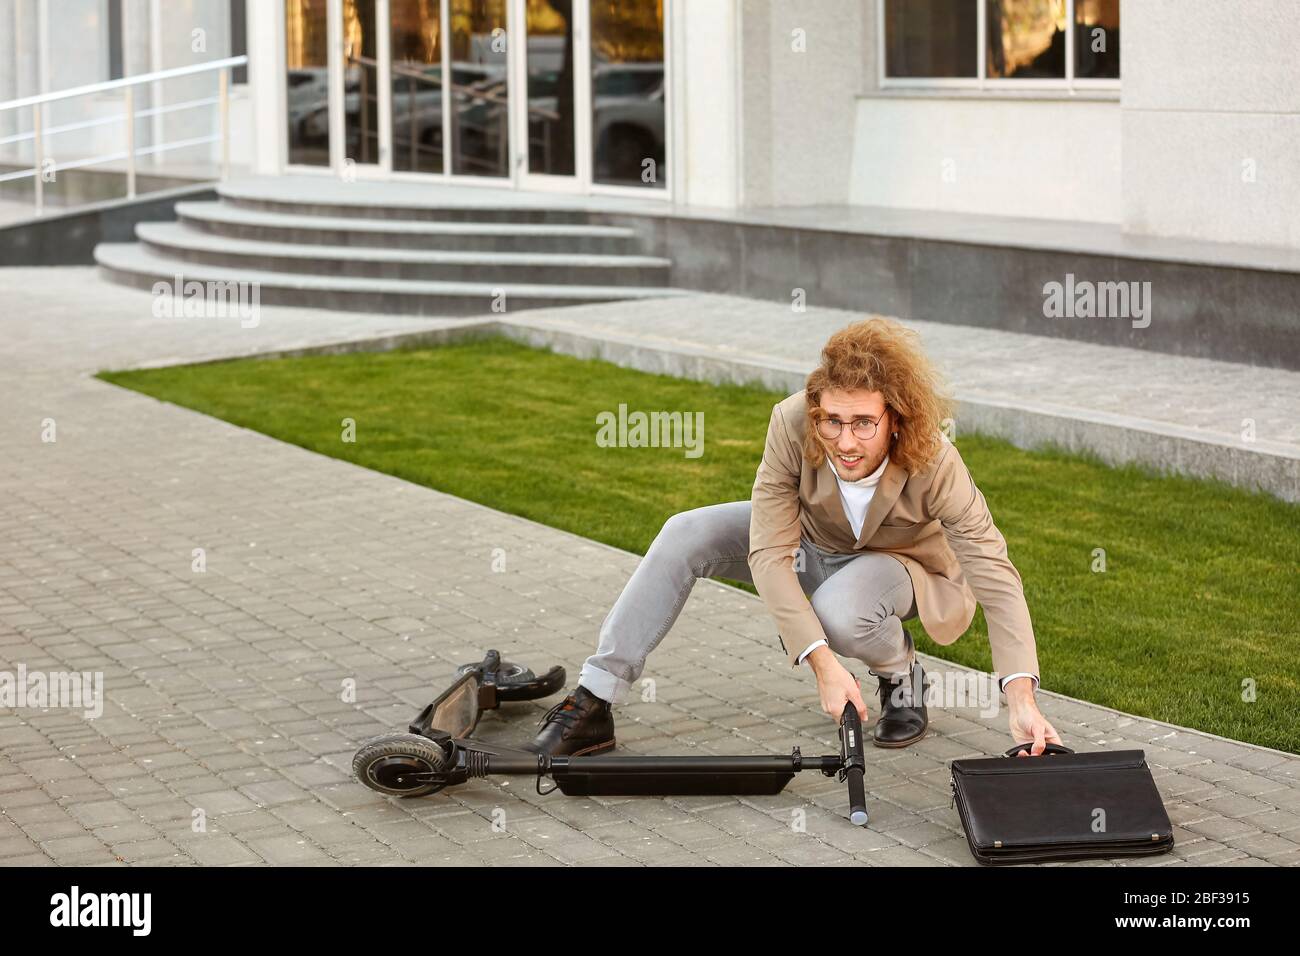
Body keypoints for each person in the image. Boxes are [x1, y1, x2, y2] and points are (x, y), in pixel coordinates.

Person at [524, 317, 1063, 758]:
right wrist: (823, 667)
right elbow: (768, 552)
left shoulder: (935, 459)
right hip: (810, 545)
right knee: (684, 531)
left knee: (840, 612)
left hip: (897, 567)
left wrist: (1020, 697)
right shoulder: (790, 424)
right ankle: (595, 699)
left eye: (862, 424)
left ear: (894, 418)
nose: (844, 441)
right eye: (831, 420)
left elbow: (993, 571)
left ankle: (902, 676)